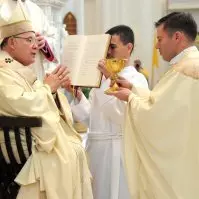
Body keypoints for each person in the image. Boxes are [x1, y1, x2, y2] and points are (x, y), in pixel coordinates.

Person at [0, 1, 92, 198]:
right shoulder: (3, 72)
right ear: (12, 43)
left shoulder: (20, 70)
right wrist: (48, 88)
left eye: (36, 40)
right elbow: (22, 104)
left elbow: (33, 99)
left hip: (30, 138)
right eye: (29, 40)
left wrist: (55, 89)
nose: (36, 47)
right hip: (20, 148)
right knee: (66, 157)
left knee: (75, 150)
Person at [108, 12, 199, 198]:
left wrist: (131, 99)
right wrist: (133, 89)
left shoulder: (186, 70)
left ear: (177, 37)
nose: (157, 46)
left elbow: (160, 118)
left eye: (159, 39)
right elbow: (162, 103)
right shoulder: (188, 65)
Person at [68, 25, 148, 199]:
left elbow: (120, 115)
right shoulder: (102, 79)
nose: (108, 52)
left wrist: (108, 79)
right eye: (106, 48)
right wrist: (77, 94)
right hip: (95, 149)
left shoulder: (136, 79)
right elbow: (92, 119)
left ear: (129, 47)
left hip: (117, 151)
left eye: (112, 47)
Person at [13, 0, 60, 80]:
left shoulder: (35, 10)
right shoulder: (3, 7)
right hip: (11, 73)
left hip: (36, 72)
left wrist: (44, 43)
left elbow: (52, 38)